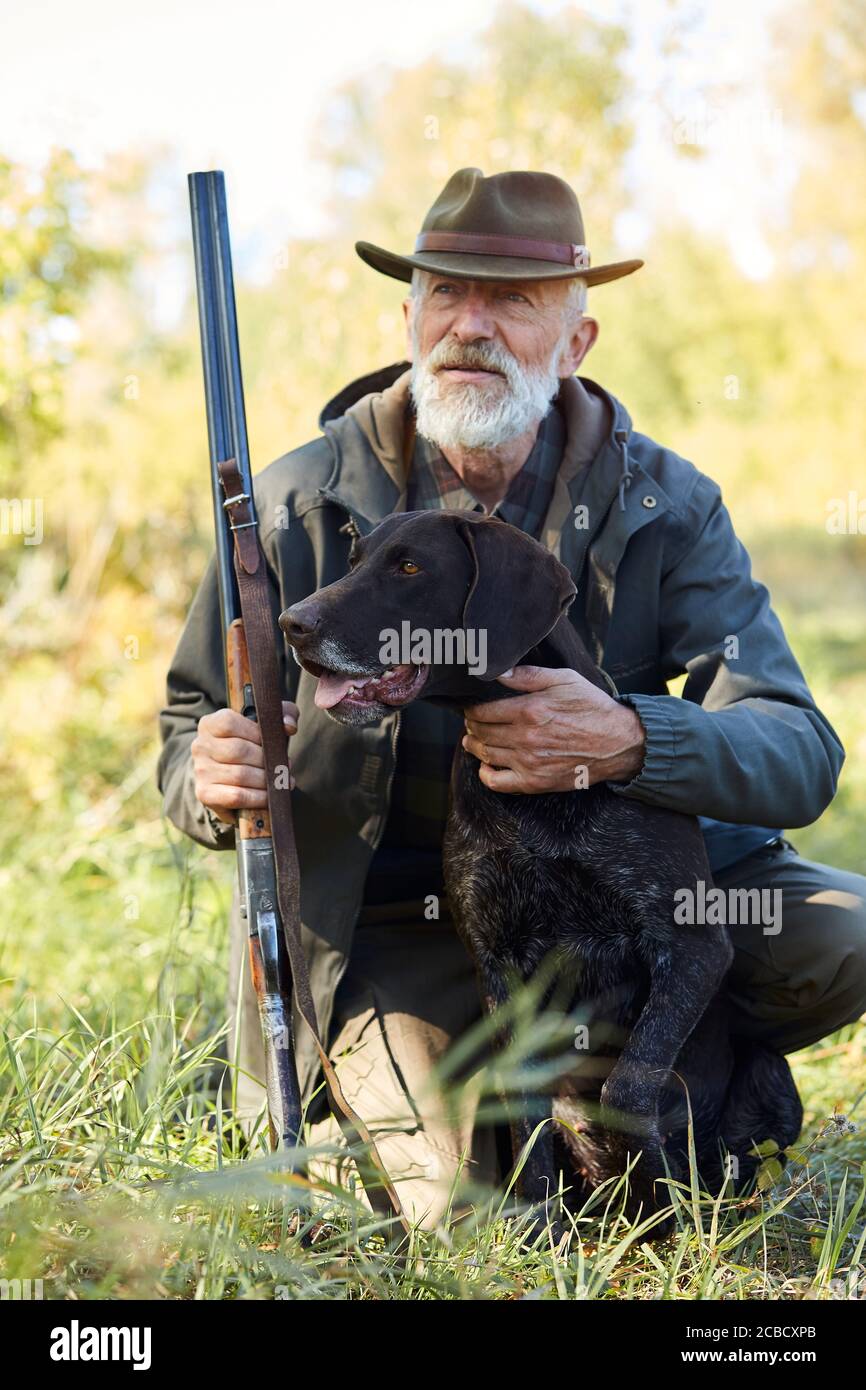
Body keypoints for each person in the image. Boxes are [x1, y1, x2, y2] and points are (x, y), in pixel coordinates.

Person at [158, 167, 866, 1226]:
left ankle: (693, 1083)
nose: (468, 325)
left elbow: (796, 747)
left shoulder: (663, 504)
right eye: (444, 292)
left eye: (511, 301)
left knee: (839, 934)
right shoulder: (295, 507)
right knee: (471, 1215)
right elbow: (185, 733)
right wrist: (208, 782)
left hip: (618, 904)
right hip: (396, 921)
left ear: (574, 341)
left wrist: (631, 739)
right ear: (408, 315)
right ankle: (437, 1085)